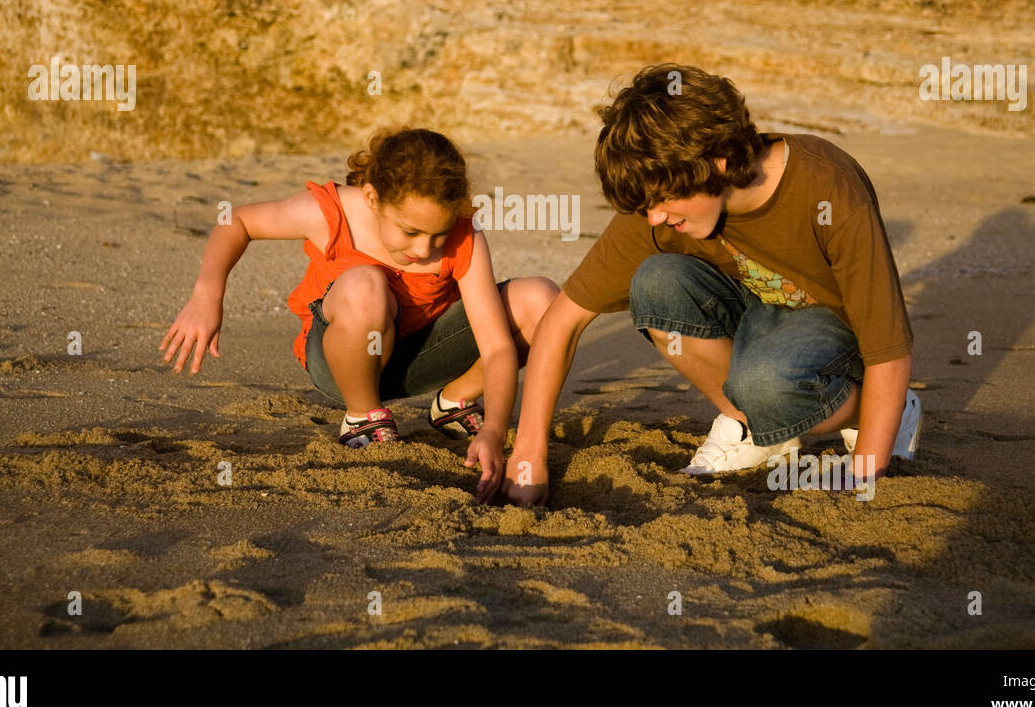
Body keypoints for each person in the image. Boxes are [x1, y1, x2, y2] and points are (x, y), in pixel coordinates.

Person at [501, 64, 919, 507]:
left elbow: (888, 349)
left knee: (766, 382)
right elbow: (561, 321)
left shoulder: (825, 184)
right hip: (760, 331)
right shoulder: (663, 197)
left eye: (663, 201)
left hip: (837, 341)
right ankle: (754, 428)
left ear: (718, 161)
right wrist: (528, 455)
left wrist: (865, 471)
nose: (655, 218)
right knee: (656, 282)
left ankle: (884, 413)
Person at [161, 127, 558, 504]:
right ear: (372, 198)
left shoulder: (462, 233)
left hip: (419, 356)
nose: (424, 249)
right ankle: (363, 416)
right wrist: (207, 295)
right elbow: (238, 220)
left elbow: (497, 349)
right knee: (366, 284)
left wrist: (493, 431)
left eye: (437, 235)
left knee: (539, 298)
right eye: (410, 231)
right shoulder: (334, 212)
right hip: (343, 358)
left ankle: (454, 402)